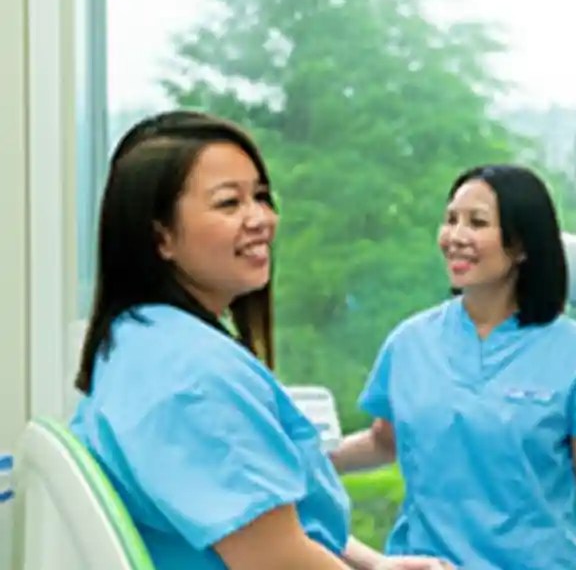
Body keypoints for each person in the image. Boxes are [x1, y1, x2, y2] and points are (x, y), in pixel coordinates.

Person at [70, 110, 454, 570]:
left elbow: (272, 526)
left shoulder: (141, 339)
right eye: (229, 203)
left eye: (261, 197)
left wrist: (375, 565)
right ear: (161, 237)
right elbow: (277, 559)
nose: (261, 219)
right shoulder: (195, 378)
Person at [329, 164, 576, 570]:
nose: (456, 237)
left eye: (477, 223)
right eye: (451, 220)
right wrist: (304, 457)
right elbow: (385, 441)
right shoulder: (410, 343)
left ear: (521, 245)